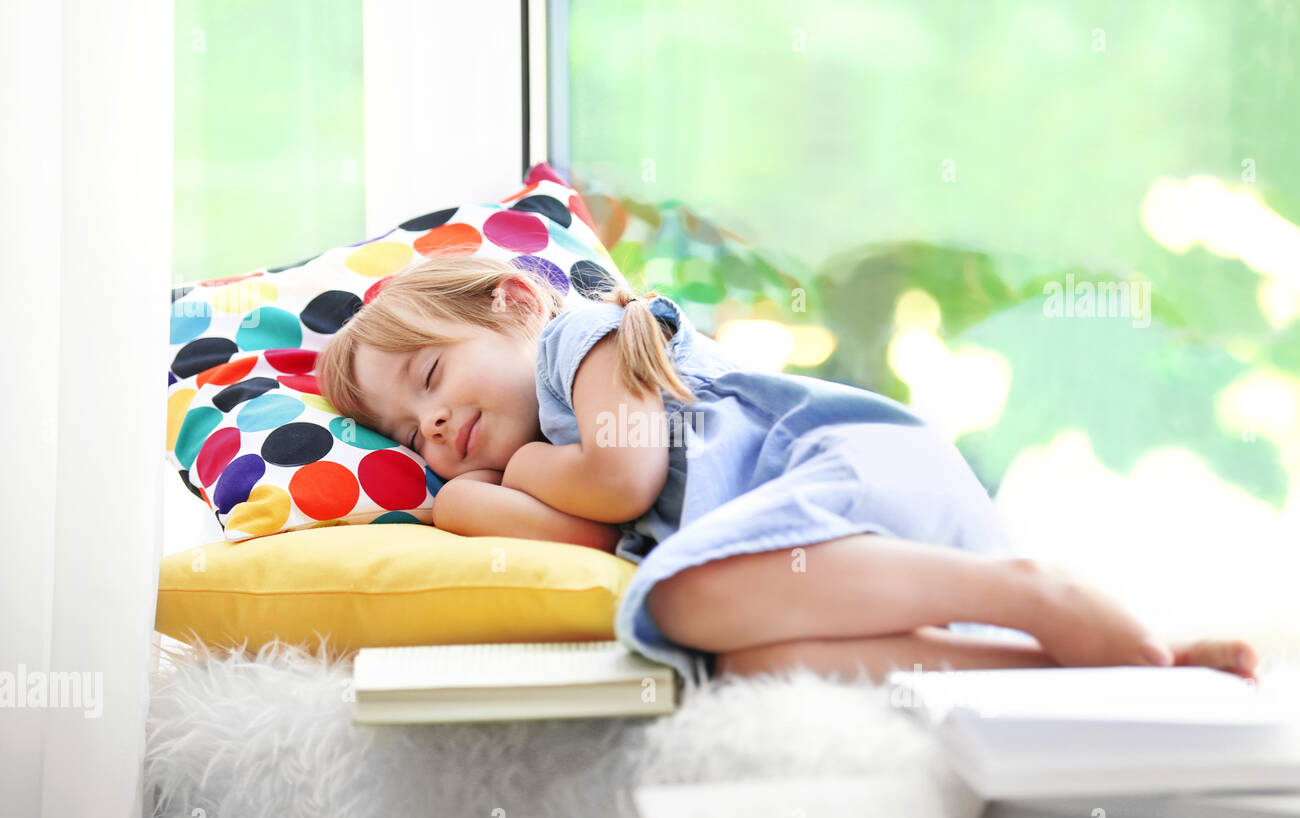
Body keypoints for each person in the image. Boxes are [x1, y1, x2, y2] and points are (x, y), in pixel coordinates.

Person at [315, 256, 1258, 690]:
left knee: (680, 605)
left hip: (840, 465)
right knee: (750, 661)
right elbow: (594, 537)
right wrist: (468, 505)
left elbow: (622, 485)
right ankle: (1092, 673)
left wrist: (513, 464)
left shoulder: (582, 341)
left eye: (431, 378)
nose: (432, 426)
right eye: (408, 434)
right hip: (809, 543)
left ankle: (1030, 592)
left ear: (516, 302)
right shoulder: (545, 461)